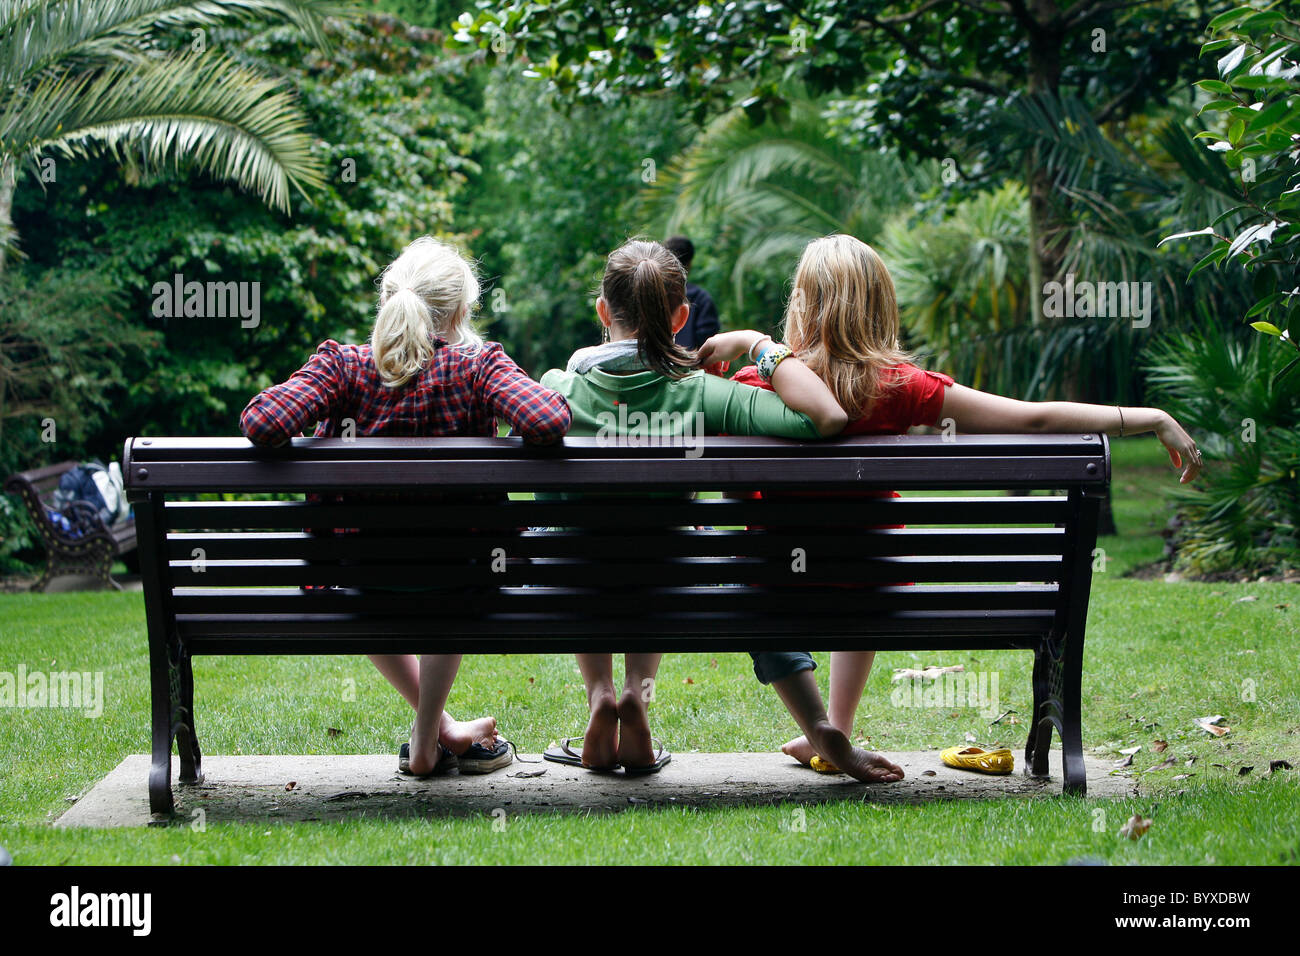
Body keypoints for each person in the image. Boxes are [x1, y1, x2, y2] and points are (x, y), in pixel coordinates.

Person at [718, 233, 1203, 770]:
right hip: (871, 584)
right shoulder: (902, 388)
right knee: (865, 556)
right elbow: (1033, 418)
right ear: (878, 306)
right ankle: (837, 727)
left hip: (780, 590)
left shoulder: (754, 386)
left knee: (752, 575)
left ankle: (823, 729)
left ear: (802, 303)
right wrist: (1149, 417)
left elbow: (736, 498)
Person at [539, 238, 903, 783]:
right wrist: (761, 345)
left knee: (579, 541)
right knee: (724, 570)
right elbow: (825, 417)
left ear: (602, 311)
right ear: (682, 317)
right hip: (673, 573)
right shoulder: (702, 394)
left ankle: (601, 697)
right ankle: (811, 725)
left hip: (574, 578)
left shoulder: (557, 390)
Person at [239, 236, 572, 777]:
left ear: (389, 299)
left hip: (357, 577)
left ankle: (433, 736)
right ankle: (432, 735)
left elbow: (262, 422)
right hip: (462, 576)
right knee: (454, 569)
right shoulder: (478, 367)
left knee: (372, 565)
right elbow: (548, 421)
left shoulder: (342, 368)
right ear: (462, 311)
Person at [664, 235, 720, 350]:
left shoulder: (650, 294)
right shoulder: (702, 299)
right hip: (690, 365)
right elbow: (708, 341)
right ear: (689, 265)